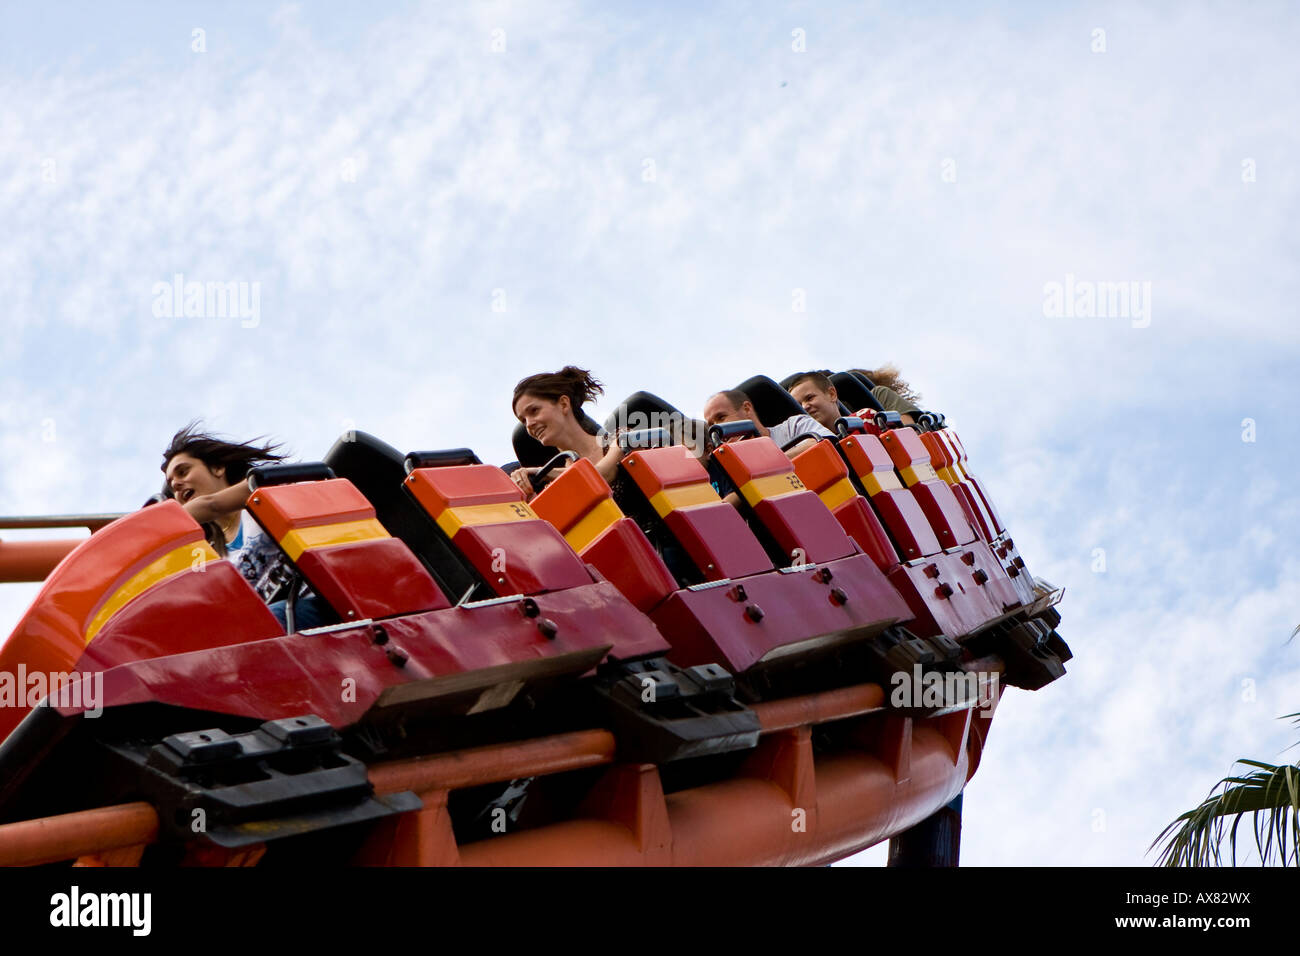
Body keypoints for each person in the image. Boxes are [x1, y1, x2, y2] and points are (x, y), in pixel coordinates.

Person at [161, 423, 332, 631]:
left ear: (217, 468)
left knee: (263, 626)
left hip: (320, 604)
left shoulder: (261, 493)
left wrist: (162, 522)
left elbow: (212, 505)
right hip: (269, 631)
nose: (177, 485)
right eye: (172, 486)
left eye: (183, 471)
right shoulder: (212, 557)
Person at [510, 367, 627, 502]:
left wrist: (542, 471)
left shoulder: (620, 439)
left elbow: (598, 477)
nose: (529, 424)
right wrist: (528, 495)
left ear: (564, 404)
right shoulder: (552, 487)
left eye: (534, 410)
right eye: (523, 421)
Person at [701, 389, 832, 459]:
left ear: (747, 409)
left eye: (721, 417)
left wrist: (767, 465)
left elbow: (823, 442)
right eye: (711, 425)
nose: (716, 430)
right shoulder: (731, 465)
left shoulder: (793, 426)